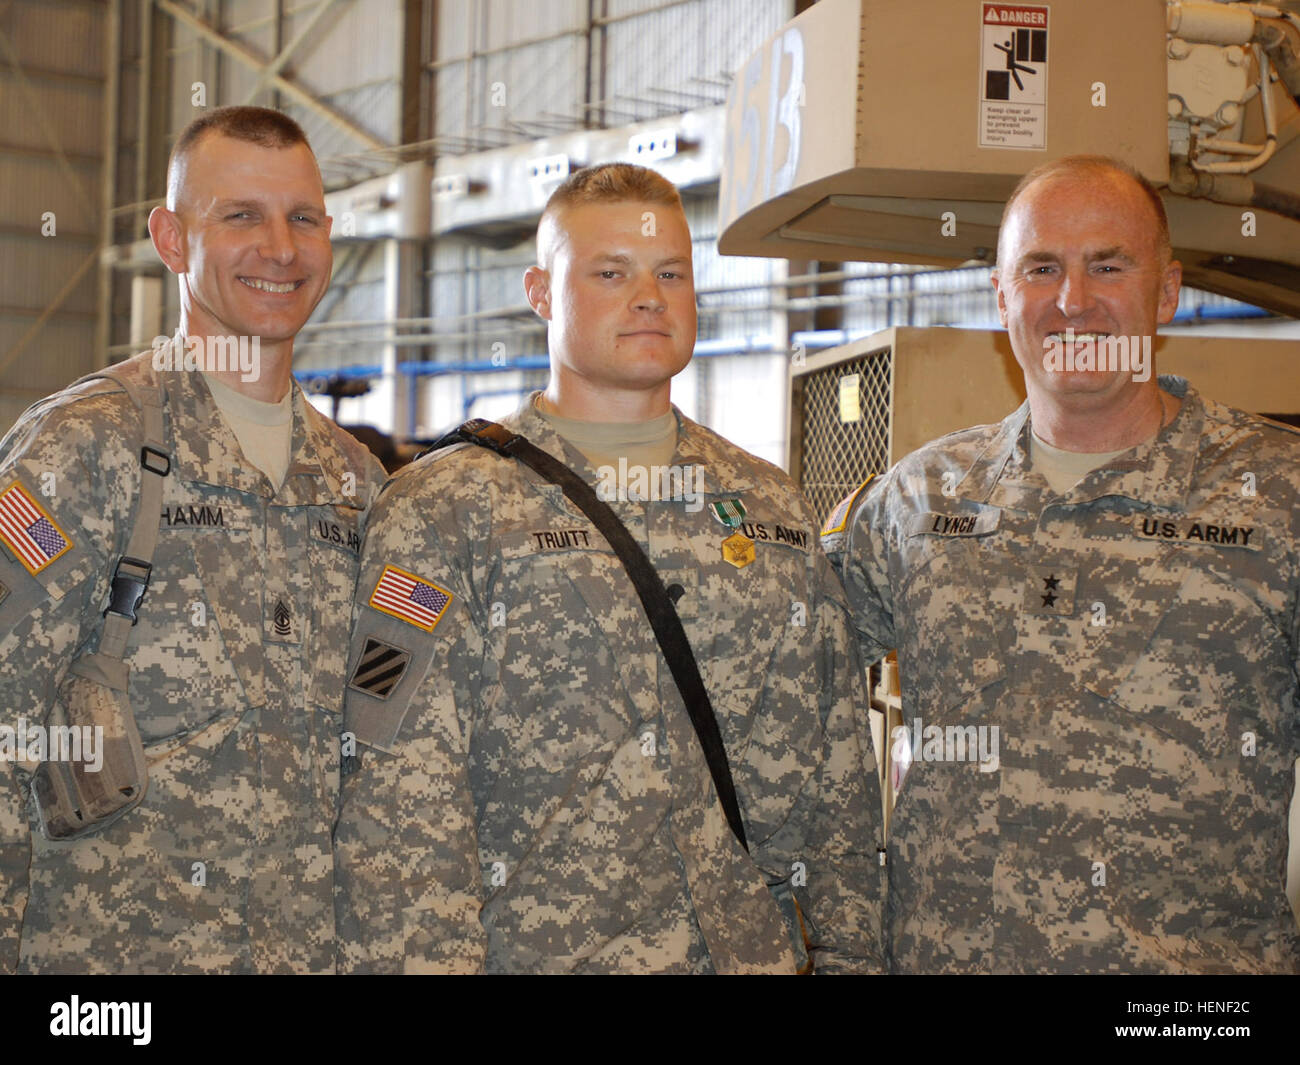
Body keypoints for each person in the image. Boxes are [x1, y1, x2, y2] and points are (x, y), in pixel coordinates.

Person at [335, 163, 883, 973]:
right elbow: (398, 802)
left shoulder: (773, 512)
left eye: (671, 273)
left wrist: (851, 958)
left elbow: (838, 774)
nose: (650, 297)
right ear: (541, 291)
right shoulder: (447, 508)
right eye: (610, 272)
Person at [822, 154, 1300, 973]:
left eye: (1107, 265)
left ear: (1166, 291)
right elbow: (780, 682)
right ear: (1003, 295)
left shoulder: (1274, 495)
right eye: (1042, 268)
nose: (1073, 300)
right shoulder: (916, 501)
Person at [0, 105, 386, 973]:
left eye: (305, 218)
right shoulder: (87, 448)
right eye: (240, 215)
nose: (281, 248)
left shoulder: (359, 486)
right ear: (171, 239)